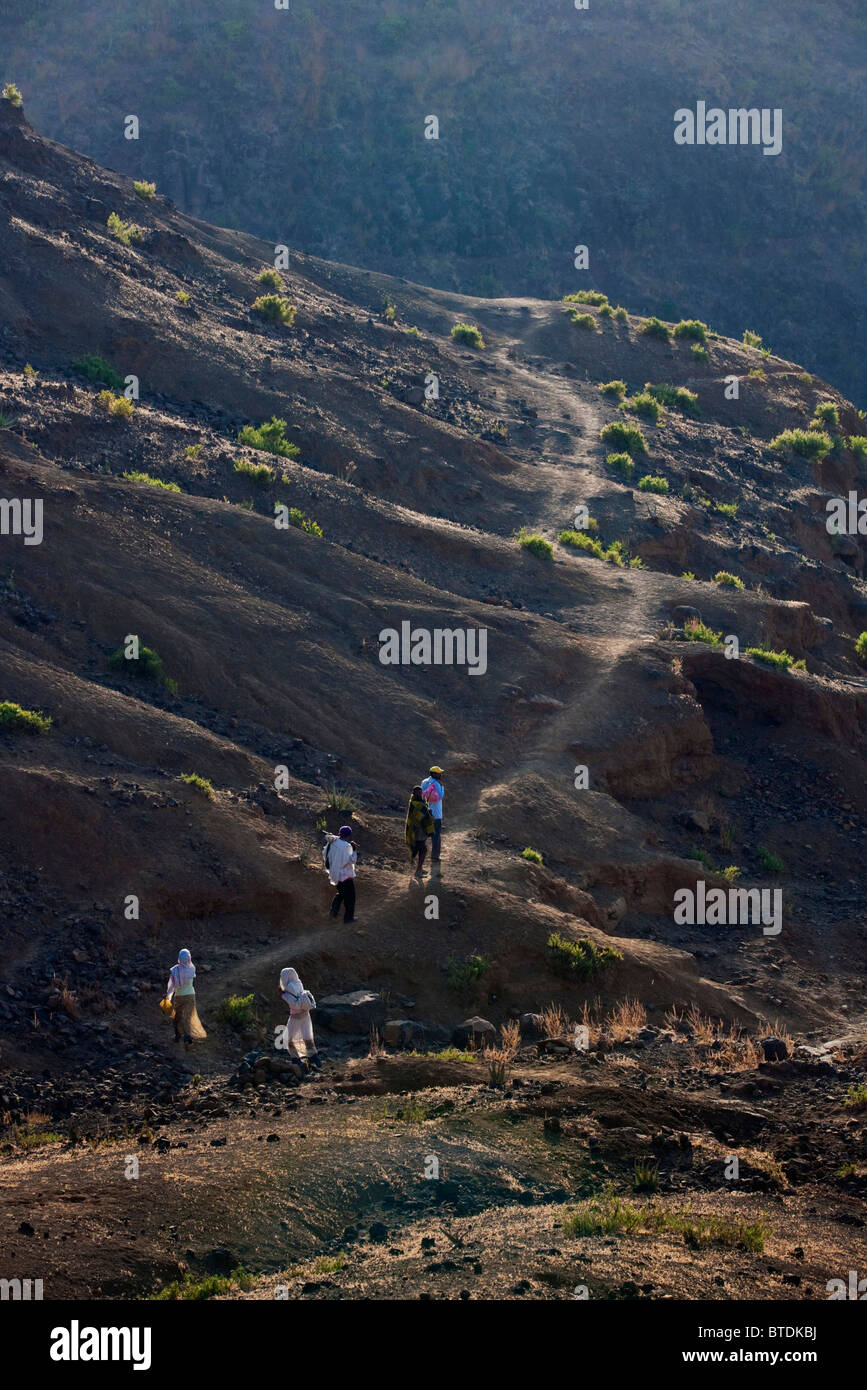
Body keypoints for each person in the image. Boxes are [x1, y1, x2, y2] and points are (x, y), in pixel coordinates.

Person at [279, 967, 320, 1070]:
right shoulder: (299, 983)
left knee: (287, 1039)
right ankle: (314, 1058)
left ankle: (296, 1059)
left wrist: (283, 995)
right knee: (307, 1036)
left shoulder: (288, 988)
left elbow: (294, 1005)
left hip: (296, 1016)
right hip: (306, 1014)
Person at [165, 948, 207, 1047]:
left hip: (179, 997)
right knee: (188, 1016)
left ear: (179, 958)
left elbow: (171, 986)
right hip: (191, 995)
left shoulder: (175, 970)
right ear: (189, 958)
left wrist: (168, 997)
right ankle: (188, 1037)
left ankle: (178, 1035)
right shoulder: (192, 968)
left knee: (176, 1017)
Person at [323, 824, 358, 922]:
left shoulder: (331, 843)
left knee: (341, 893)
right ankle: (348, 918)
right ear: (349, 835)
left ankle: (334, 911)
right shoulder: (346, 846)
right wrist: (354, 850)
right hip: (345, 876)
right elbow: (352, 860)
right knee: (350, 898)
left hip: (335, 874)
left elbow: (324, 854)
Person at [405, 784, 436, 878]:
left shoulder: (416, 803)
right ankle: (418, 870)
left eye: (420, 792)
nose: (419, 794)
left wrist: (427, 810)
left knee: (418, 849)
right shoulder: (416, 804)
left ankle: (417, 867)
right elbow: (423, 817)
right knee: (422, 849)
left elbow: (424, 813)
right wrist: (428, 813)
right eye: (417, 792)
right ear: (413, 793)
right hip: (418, 830)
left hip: (417, 830)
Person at [420, 765, 445, 870]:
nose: (441, 775)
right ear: (434, 774)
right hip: (436, 814)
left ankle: (420, 858)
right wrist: (442, 787)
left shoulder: (424, 782)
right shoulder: (436, 783)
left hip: (425, 813)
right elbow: (440, 796)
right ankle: (435, 857)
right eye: (439, 773)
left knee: (423, 836)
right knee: (436, 836)